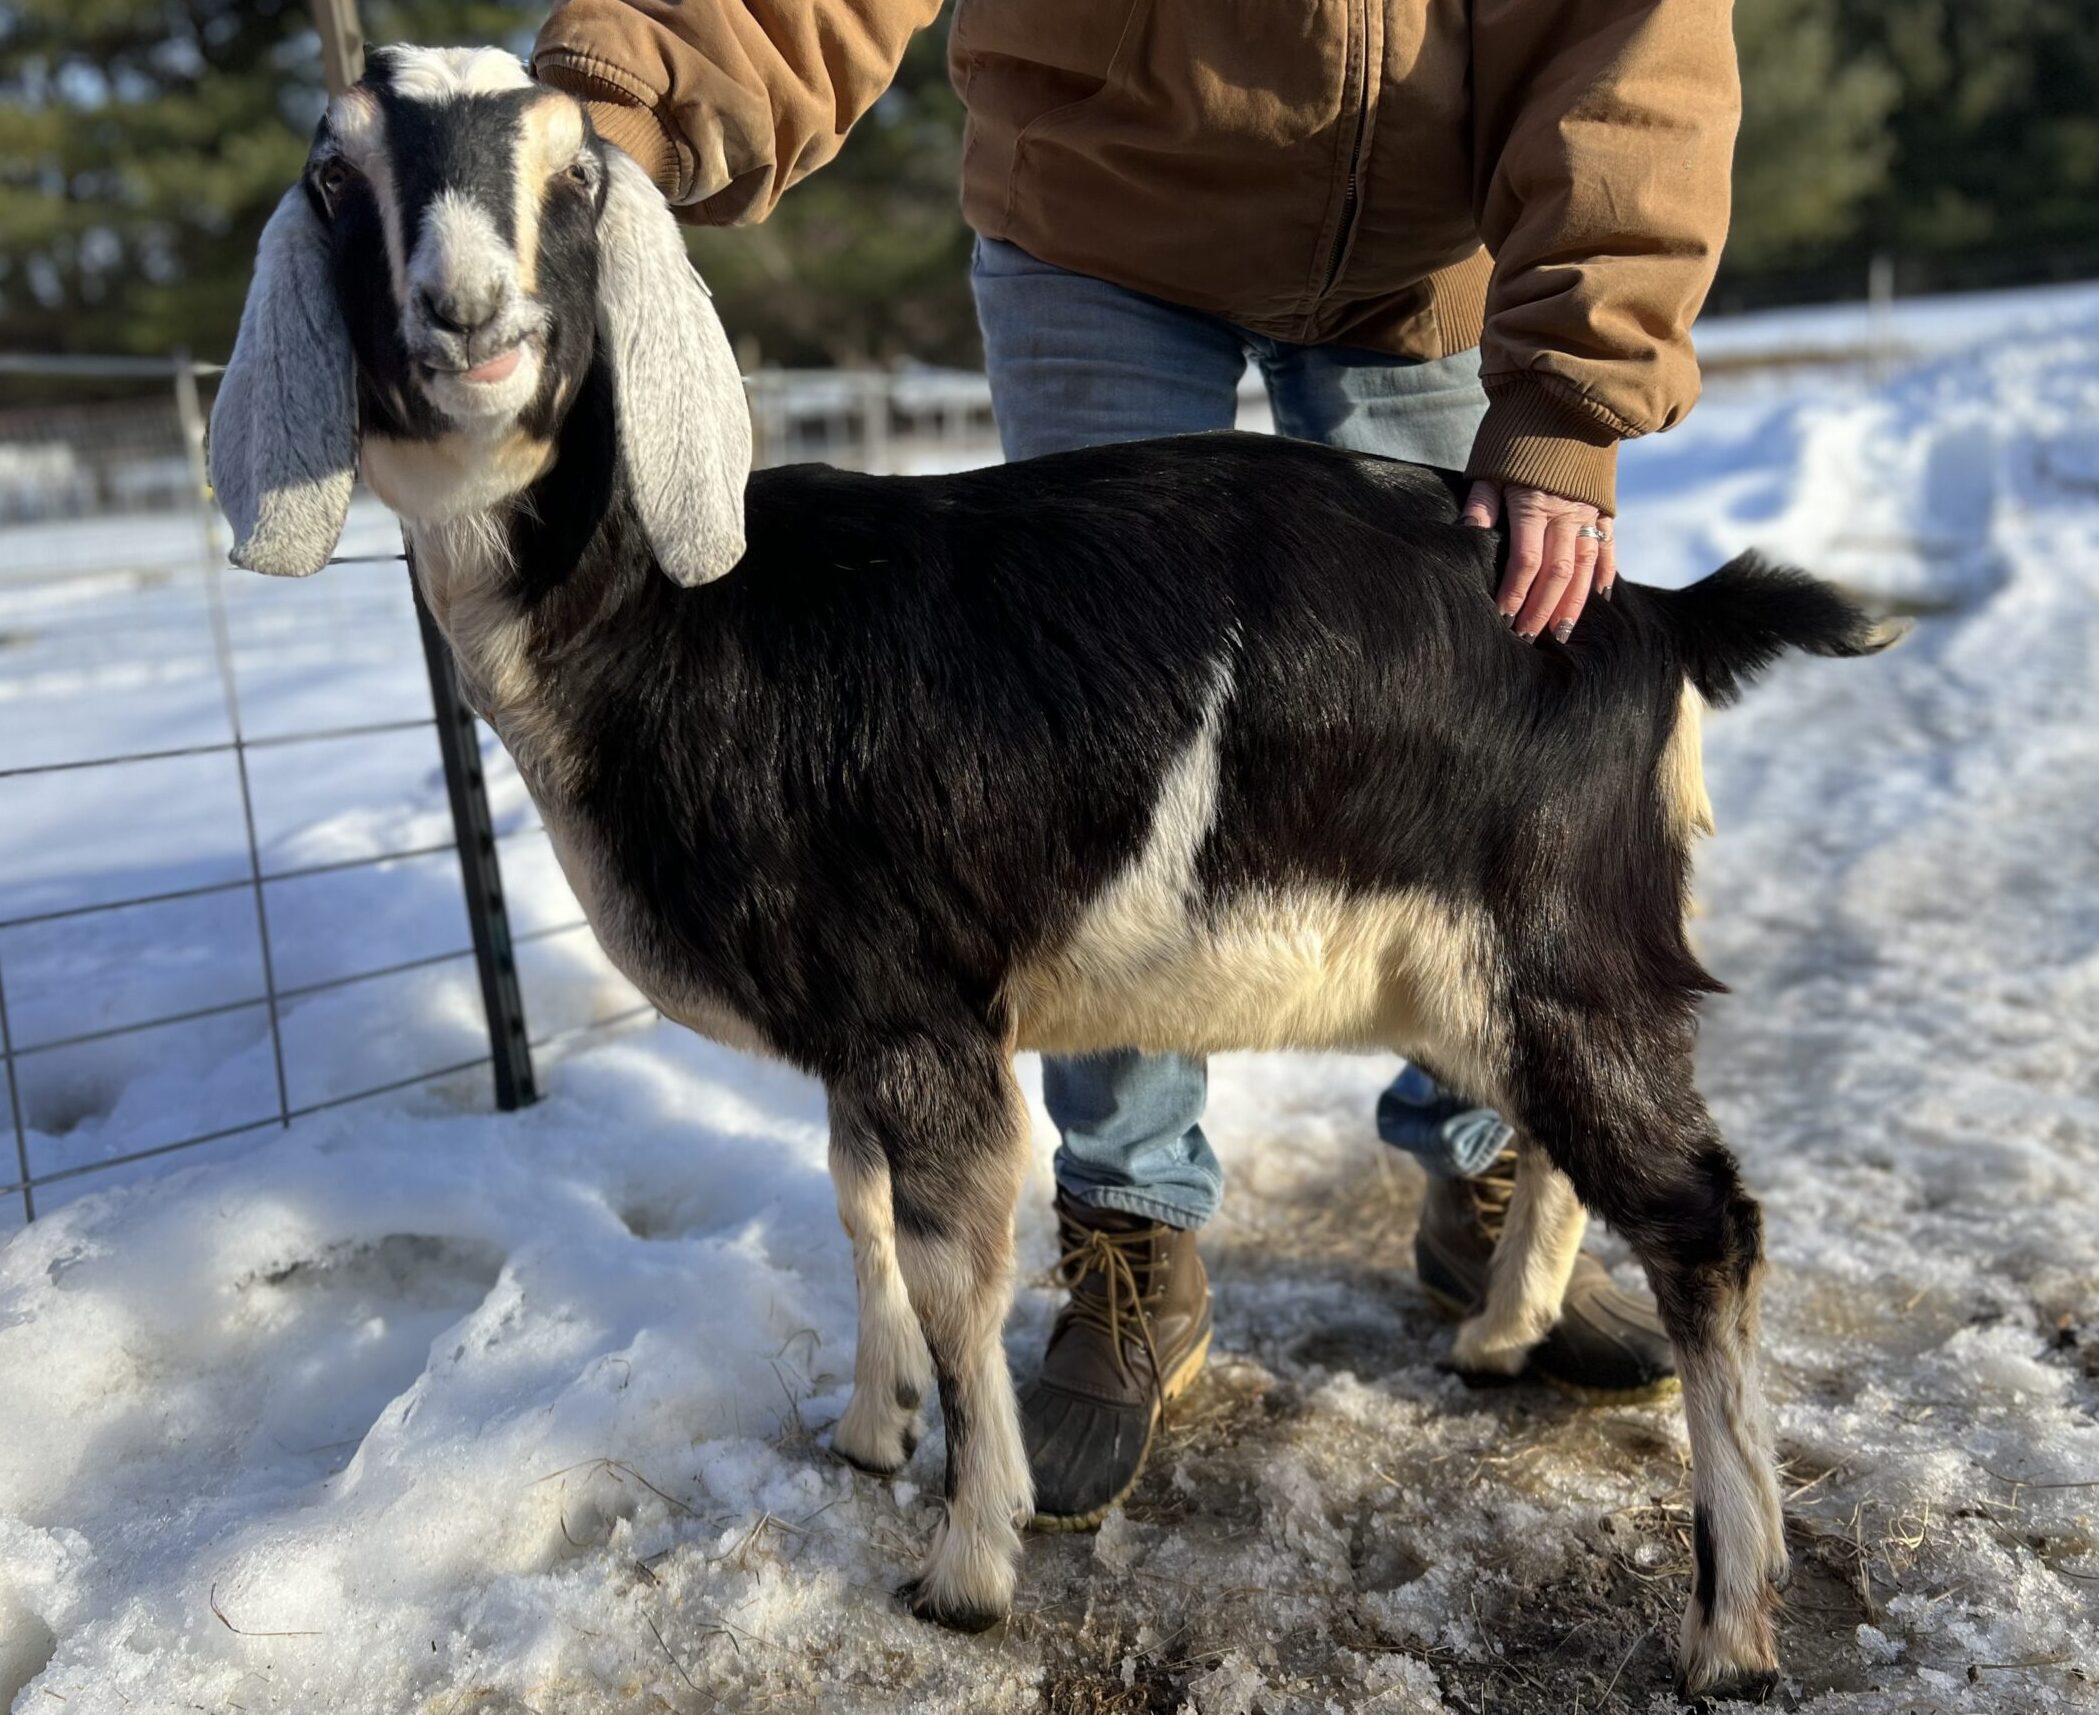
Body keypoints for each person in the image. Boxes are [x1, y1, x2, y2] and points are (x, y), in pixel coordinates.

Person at [535, 0, 1738, 1527]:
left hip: (1427, 228)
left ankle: (1487, 1170)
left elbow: (1633, 29)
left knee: (1465, 750)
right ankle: (1130, 1239)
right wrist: (622, 99)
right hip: (1102, 216)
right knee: (1067, 771)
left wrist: (1577, 379)